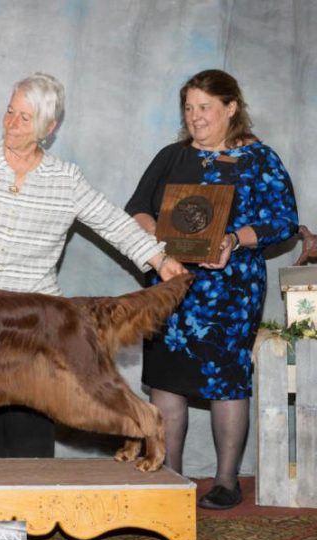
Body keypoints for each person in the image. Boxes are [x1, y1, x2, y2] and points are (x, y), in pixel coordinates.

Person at [0, 72, 186, 459]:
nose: (11, 123)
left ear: (49, 127)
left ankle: (39, 509)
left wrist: (159, 258)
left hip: (36, 325)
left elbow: (113, 222)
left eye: (24, 118)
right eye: (9, 112)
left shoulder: (66, 180)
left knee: (32, 438)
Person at [125, 69, 299, 509]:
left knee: (227, 384)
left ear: (231, 108)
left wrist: (233, 239)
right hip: (171, 287)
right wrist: (159, 242)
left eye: (205, 107)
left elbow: (282, 222)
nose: (195, 117)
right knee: (166, 385)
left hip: (231, 292)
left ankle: (225, 481)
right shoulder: (171, 156)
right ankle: (170, 477)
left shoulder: (260, 159)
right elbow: (138, 210)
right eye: (189, 108)